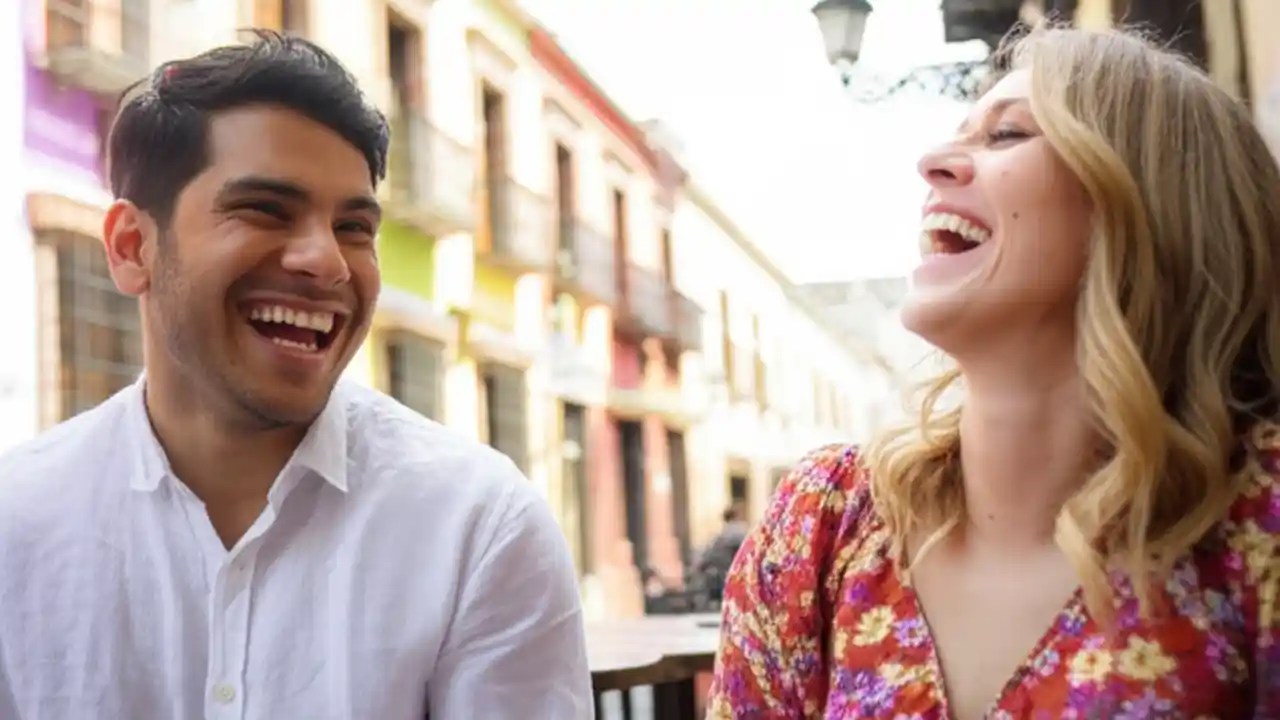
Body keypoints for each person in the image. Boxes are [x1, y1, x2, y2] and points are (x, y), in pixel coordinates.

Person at [0, 32, 592, 720]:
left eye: (354, 227)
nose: (328, 262)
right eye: (265, 210)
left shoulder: (479, 528)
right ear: (133, 247)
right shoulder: (18, 524)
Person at [707, 25, 1279, 719]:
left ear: (1148, 207)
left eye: (1007, 136)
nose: (933, 162)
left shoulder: (1257, 522)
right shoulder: (820, 529)